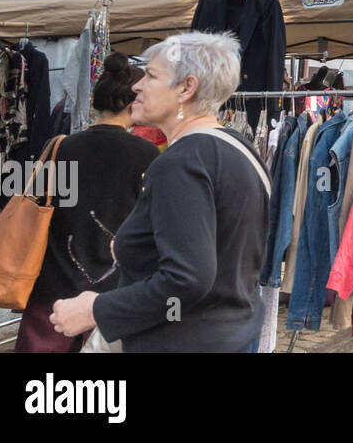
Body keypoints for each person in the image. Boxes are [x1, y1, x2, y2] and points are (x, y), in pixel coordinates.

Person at [49, 32, 271, 351]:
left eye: (151, 75)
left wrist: (95, 309)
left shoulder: (182, 161)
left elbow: (187, 278)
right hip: (229, 336)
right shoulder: (237, 148)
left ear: (186, 88)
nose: (137, 86)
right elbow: (220, 250)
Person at [14, 53, 160, 353]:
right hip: (114, 293)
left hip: (52, 287)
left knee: (42, 395)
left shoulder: (61, 146)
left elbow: (36, 205)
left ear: (96, 102)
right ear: (133, 101)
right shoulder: (147, 154)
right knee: (105, 396)